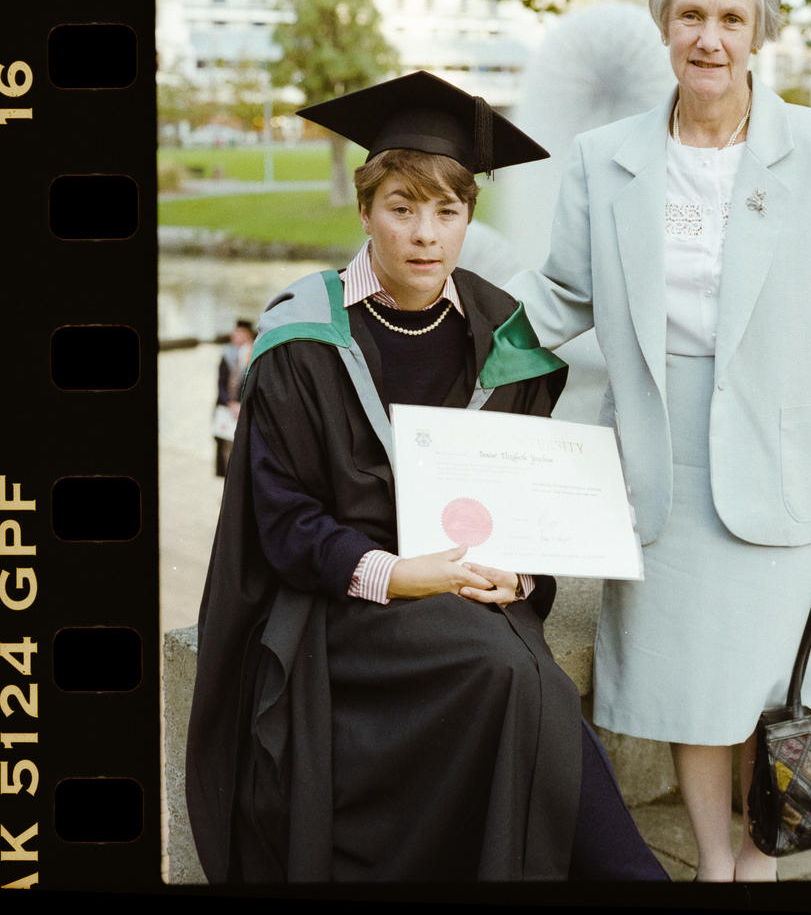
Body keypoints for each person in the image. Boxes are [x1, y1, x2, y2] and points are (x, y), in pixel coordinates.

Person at [185, 70, 668, 885]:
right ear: (367, 209)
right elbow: (283, 519)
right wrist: (402, 574)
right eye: (402, 208)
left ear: (468, 218)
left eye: (447, 210)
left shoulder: (499, 335)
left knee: (517, 668)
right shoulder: (301, 337)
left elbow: (526, 495)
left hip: (466, 594)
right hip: (343, 601)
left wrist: (520, 565)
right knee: (515, 673)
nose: (424, 234)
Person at [507, 0, 811, 882]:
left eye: (728, 15)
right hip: (658, 463)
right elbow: (557, 296)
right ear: (663, 21)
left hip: (787, 462)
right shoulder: (603, 158)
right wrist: (424, 315)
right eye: (689, 14)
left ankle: (760, 862)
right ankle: (715, 863)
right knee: (688, 687)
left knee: (777, 691)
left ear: (758, 25)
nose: (707, 38)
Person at [213, 318, 255, 477]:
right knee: (226, 448)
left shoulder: (255, 352)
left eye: (238, 332)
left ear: (248, 334)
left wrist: (242, 405)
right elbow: (220, 383)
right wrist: (230, 403)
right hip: (227, 409)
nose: (234, 335)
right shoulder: (227, 354)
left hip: (246, 409)